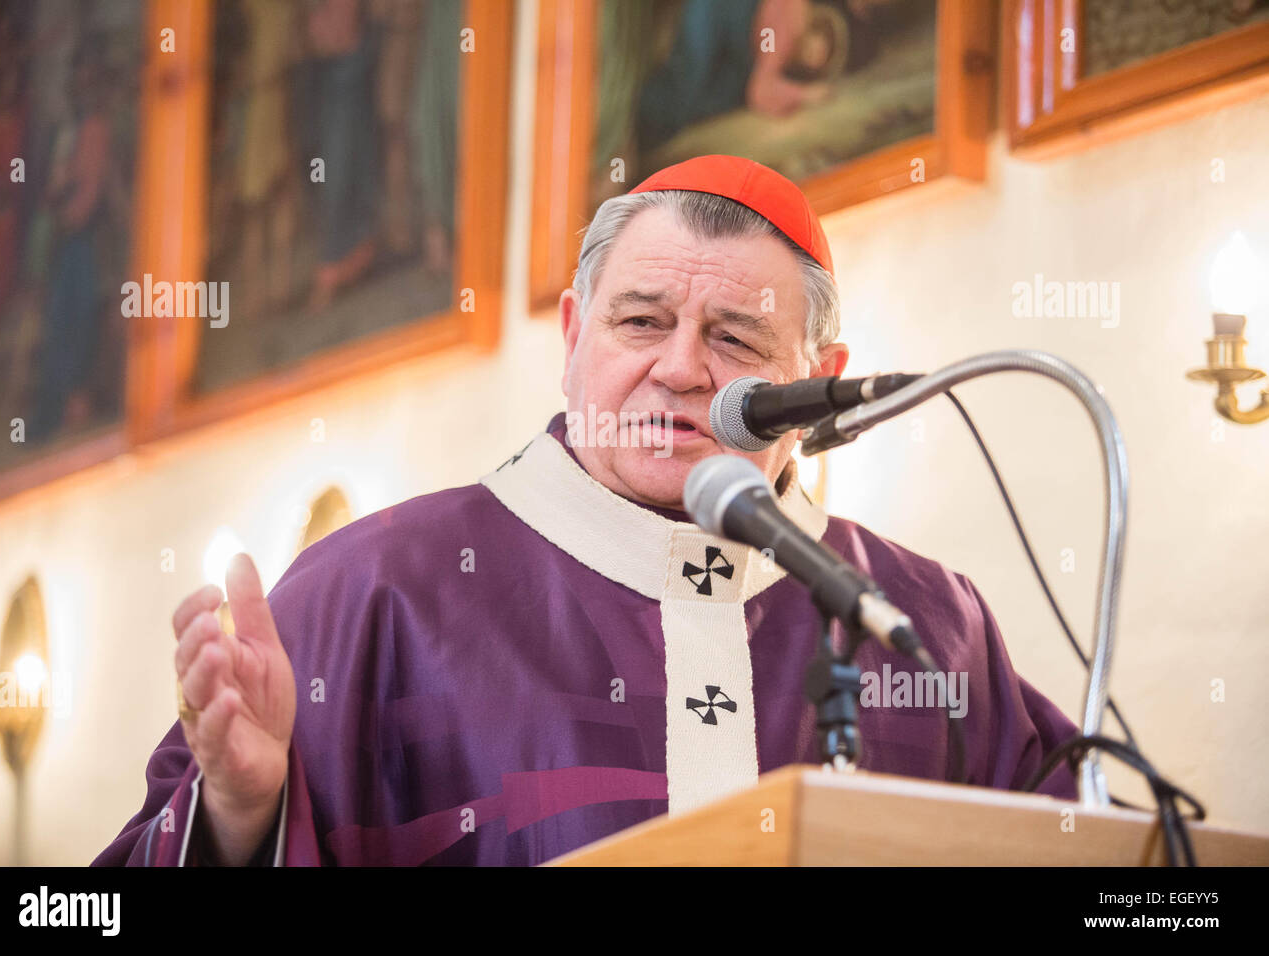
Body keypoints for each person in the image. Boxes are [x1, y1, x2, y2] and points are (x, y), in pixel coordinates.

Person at [95, 155, 1079, 867]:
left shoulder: (922, 623)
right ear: (574, 335)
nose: (682, 367)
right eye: (640, 320)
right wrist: (237, 813)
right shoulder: (365, 596)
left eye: (736, 338)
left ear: (818, 379)